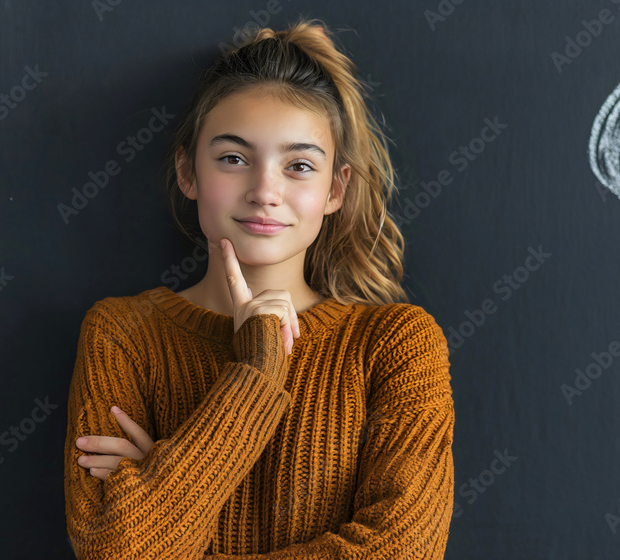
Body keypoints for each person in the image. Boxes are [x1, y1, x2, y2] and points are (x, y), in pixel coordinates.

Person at [62, 17, 455, 559]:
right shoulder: (121, 333)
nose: (265, 191)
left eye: (298, 166)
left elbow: (405, 551)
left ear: (335, 190)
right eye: (233, 158)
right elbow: (114, 552)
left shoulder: (396, 343)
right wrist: (256, 372)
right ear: (188, 172)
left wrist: (165, 495)